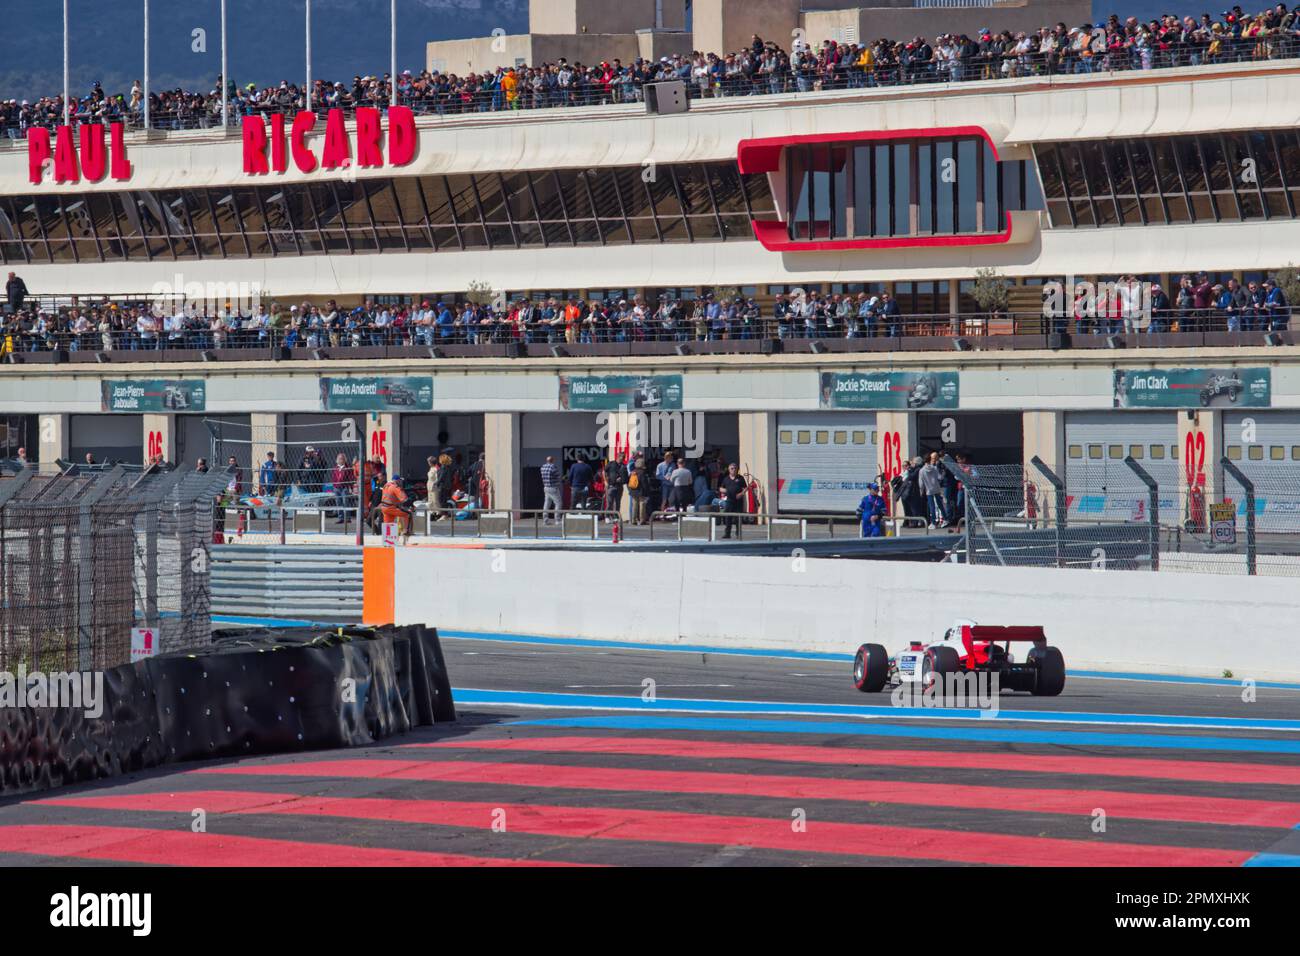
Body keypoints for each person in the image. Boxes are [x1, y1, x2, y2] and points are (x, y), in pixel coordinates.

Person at [717, 462, 748, 539]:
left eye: (735, 468)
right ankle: (727, 534)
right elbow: (720, 488)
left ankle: (738, 534)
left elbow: (745, 488)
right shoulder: (726, 479)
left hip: (738, 501)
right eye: (732, 468)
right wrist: (725, 490)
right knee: (728, 518)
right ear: (729, 470)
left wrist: (741, 494)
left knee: (738, 518)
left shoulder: (740, 478)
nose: (734, 470)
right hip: (729, 500)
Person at [379, 474, 414, 541]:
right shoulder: (396, 487)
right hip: (391, 508)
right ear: (397, 480)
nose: (401, 482)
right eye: (400, 481)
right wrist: (411, 501)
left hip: (384, 508)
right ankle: (406, 532)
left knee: (388, 525)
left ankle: (389, 542)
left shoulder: (386, 485)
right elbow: (404, 499)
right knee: (408, 514)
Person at [627, 456, 650, 525]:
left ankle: (633, 520)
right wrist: (647, 492)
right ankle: (642, 520)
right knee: (642, 505)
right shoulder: (642, 473)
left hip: (633, 491)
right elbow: (644, 484)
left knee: (634, 505)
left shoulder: (633, 472)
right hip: (641, 491)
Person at [540, 454, 562, 524]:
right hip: (553, 487)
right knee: (558, 503)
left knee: (547, 504)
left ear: (547, 460)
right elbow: (558, 476)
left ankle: (545, 520)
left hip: (546, 487)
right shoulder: (553, 467)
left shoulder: (543, 467)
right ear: (552, 460)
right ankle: (557, 520)